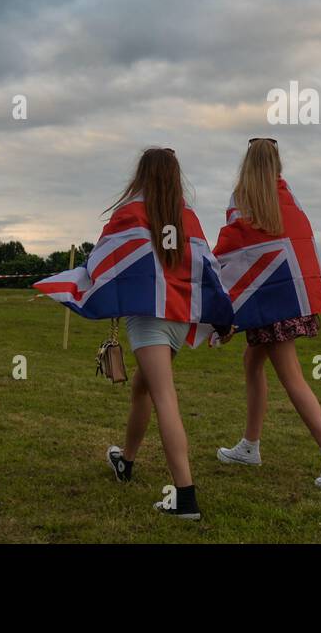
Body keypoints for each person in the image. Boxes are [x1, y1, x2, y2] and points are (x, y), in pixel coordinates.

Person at [34, 147, 234, 521]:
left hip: (149, 319)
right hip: (179, 318)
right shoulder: (186, 217)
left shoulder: (129, 214)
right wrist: (221, 314)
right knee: (143, 388)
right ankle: (126, 461)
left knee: (163, 396)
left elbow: (102, 260)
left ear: (141, 175)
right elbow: (207, 265)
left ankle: (185, 497)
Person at [213, 138, 321, 489]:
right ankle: (249, 446)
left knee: (291, 376)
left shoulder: (243, 198)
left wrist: (217, 296)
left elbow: (233, 252)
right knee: (252, 361)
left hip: (270, 303)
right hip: (287, 298)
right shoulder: (288, 197)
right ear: (278, 163)